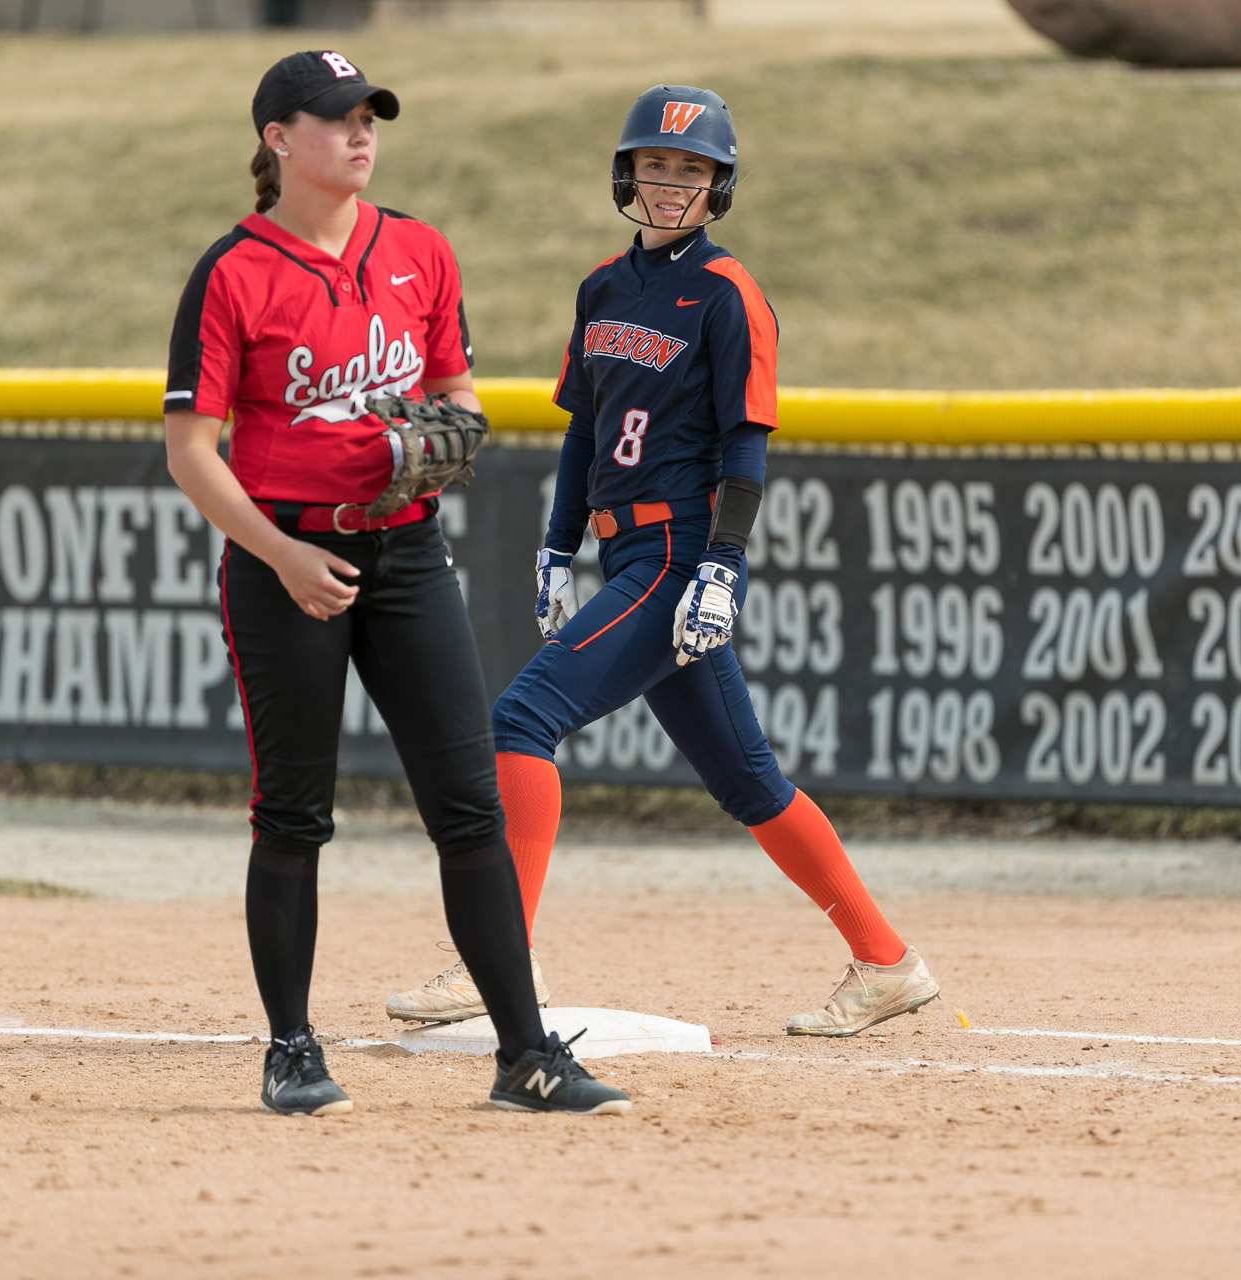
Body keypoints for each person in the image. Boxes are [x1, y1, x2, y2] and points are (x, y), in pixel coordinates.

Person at [386, 85, 940, 1037]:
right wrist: (558, 548)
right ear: (627, 172)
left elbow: (746, 449)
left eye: (692, 169)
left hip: (678, 552)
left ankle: (498, 957)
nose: (671, 181)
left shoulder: (728, 293)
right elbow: (584, 434)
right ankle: (886, 961)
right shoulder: (603, 288)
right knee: (748, 779)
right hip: (621, 546)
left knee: (521, 718)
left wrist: (724, 566)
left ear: (719, 184)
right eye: (656, 164)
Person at [163, 50, 628, 1116]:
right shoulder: (233, 271)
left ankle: (527, 1056)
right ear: (279, 139)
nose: (360, 133)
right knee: (293, 812)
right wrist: (279, 554)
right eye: (335, 117)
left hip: (406, 551)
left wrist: (444, 438)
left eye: (370, 115)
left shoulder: (418, 249)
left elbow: (457, 393)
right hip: (285, 557)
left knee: (468, 807)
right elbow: (193, 450)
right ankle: (291, 1048)